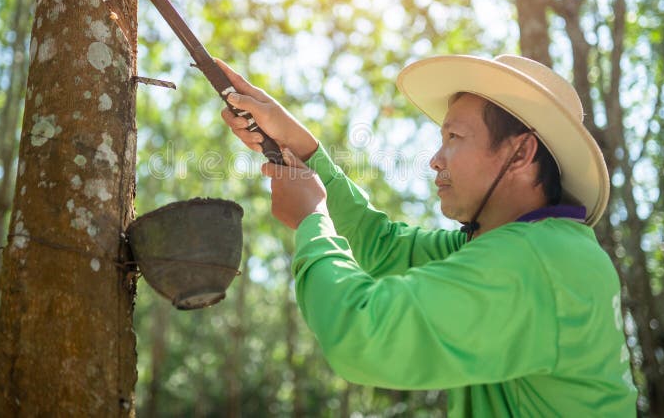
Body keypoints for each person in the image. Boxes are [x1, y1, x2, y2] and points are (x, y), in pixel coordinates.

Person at [218, 54, 638, 416]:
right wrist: (303, 149)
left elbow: (364, 335)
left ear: (521, 153)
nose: (435, 160)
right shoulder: (524, 245)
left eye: (454, 137)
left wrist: (312, 218)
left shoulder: (537, 262)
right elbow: (381, 247)